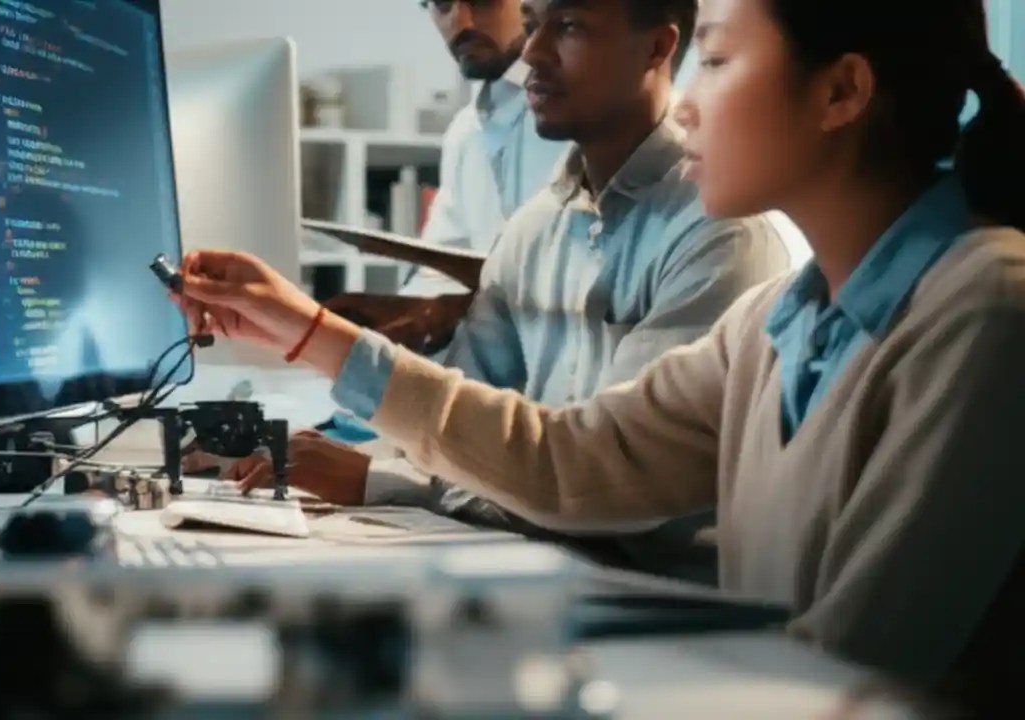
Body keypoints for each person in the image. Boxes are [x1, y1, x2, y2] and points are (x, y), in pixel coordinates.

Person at [173, 0, 1025, 703]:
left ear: (841, 92)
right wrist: (310, 333)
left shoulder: (986, 310)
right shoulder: (776, 320)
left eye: (718, 62)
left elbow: (851, 669)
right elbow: (571, 463)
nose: (687, 102)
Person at [208, 0, 792, 584]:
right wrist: (384, 470)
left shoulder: (719, 239)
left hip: (657, 600)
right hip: (533, 563)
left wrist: (382, 477)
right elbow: (460, 438)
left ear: (659, 48)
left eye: (568, 27)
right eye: (534, 25)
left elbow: (595, 494)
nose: (533, 54)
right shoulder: (532, 229)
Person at [401, 0, 570, 296]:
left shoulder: (585, 113)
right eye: (442, 4)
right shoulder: (465, 132)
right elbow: (441, 271)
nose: (461, 23)